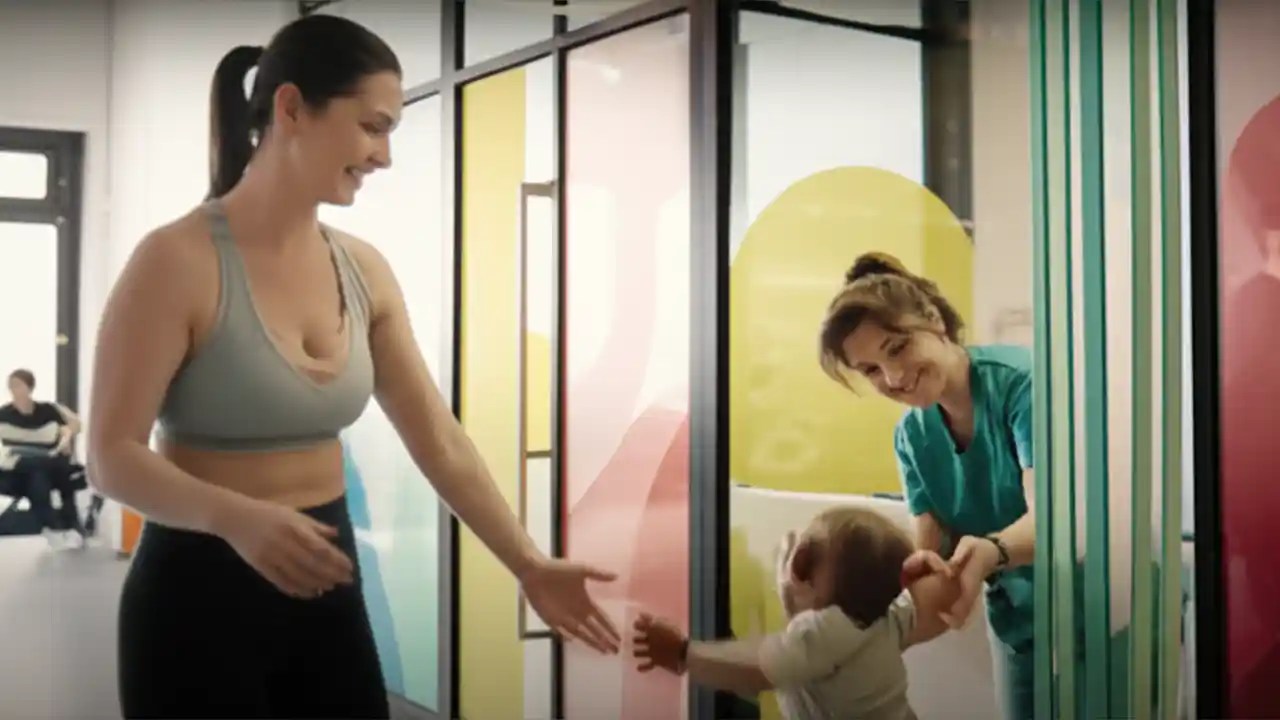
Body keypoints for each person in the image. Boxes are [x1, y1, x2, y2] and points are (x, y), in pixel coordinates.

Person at [87, 15, 620, 720]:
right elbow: (110, 457)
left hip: (325, 586)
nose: (385, 155)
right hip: (195, 594)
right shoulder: (175, 262)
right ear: (290, 108)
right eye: (373, 127)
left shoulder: (363, 269)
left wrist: (527, 562)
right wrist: (237, 519)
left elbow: (439, 438)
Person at [816, 252, 1037, 719]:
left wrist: (989, 553)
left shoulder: (1022, 385)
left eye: (897, 348)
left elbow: (1057, 522)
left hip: (1105, 608)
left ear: (933, 320)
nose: (894, 378)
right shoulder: (912, 438)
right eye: (871, 370)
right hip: (1022, 626)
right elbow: (931, 558)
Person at [632, 506, 959, 720]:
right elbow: (936, 611)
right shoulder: (885, 618)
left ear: (804, 568)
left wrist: (682, 654)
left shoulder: (824, 633)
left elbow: (756, 670)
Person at [0, 368, 87, 547]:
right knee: (45, 467)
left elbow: (76, 424)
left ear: (30, 387)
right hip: (17, 464)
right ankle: (64, 525)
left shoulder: (49, 410)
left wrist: (67, 433)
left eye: (18, 385)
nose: (14, 390)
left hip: (45, 464)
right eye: (11, 386)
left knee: (40, 475)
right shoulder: (4, 414)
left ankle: (53, 527)